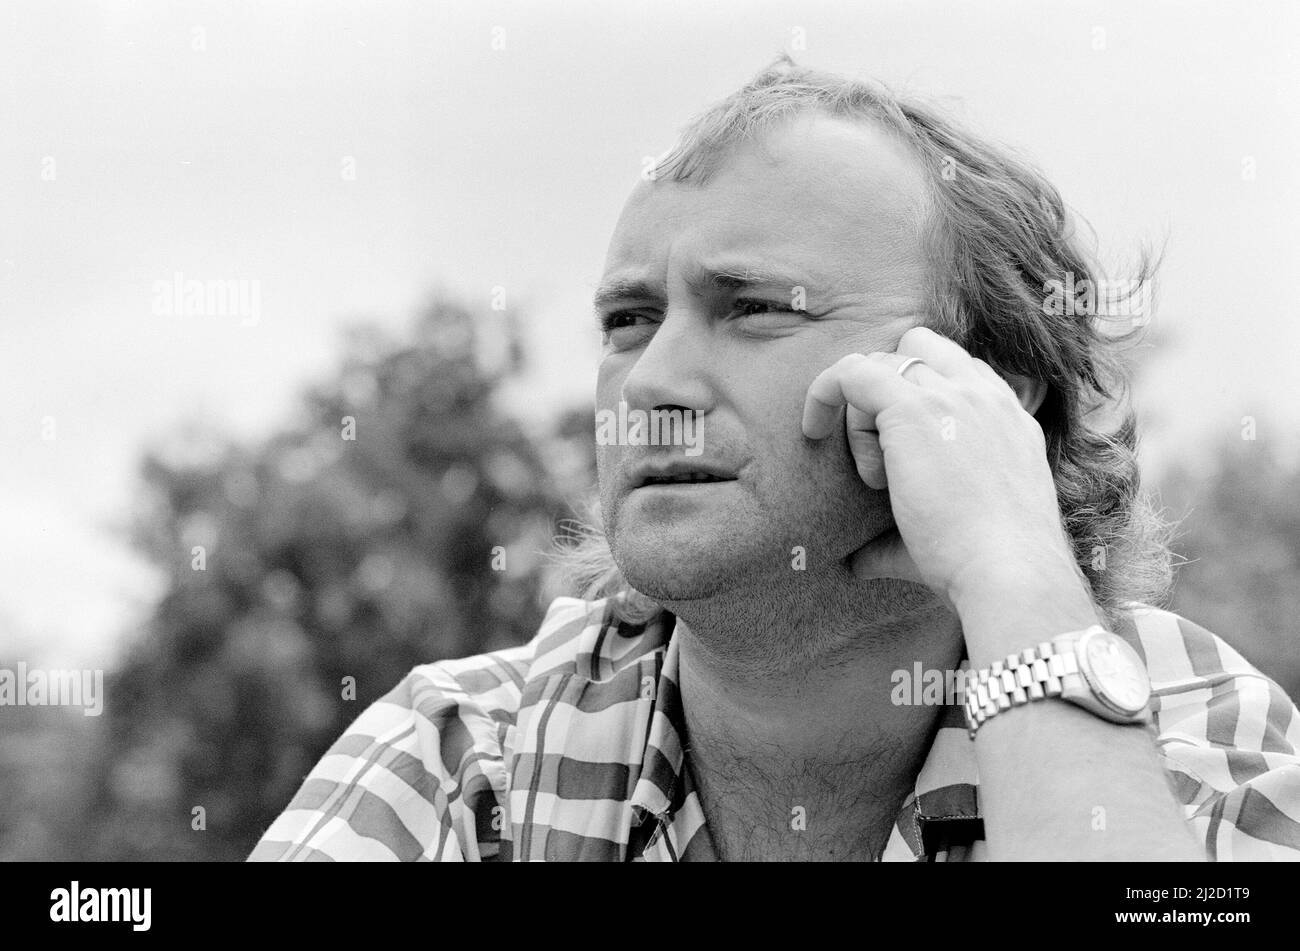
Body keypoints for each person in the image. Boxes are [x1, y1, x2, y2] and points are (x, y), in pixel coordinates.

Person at [249, 55, 1300, 862]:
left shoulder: (1199, 740)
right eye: (626, 320)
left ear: (982, 390)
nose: (650, 383)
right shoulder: (465, 757)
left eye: (751, 308)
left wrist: (1016, 578)